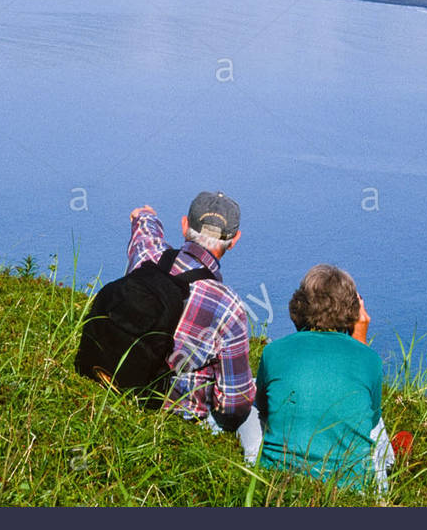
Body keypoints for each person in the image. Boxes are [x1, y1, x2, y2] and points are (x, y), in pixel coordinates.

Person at [126, 192, 261, 463]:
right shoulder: (228, 307)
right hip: (181, 421)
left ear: (185, 225)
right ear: (234, 241)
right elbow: (234, 407)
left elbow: (145, 236)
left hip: (122, 390)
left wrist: (146, 216)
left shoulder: (147, 261)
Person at [255, 264, 395, 494]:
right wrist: (359, 332)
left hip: (276, 481)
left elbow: (262, 407)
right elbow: (369, 422)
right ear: (353, 310)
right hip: (351, 487)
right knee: (376, 423)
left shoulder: (273, 352)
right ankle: (384, 484)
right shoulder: (369, 359)